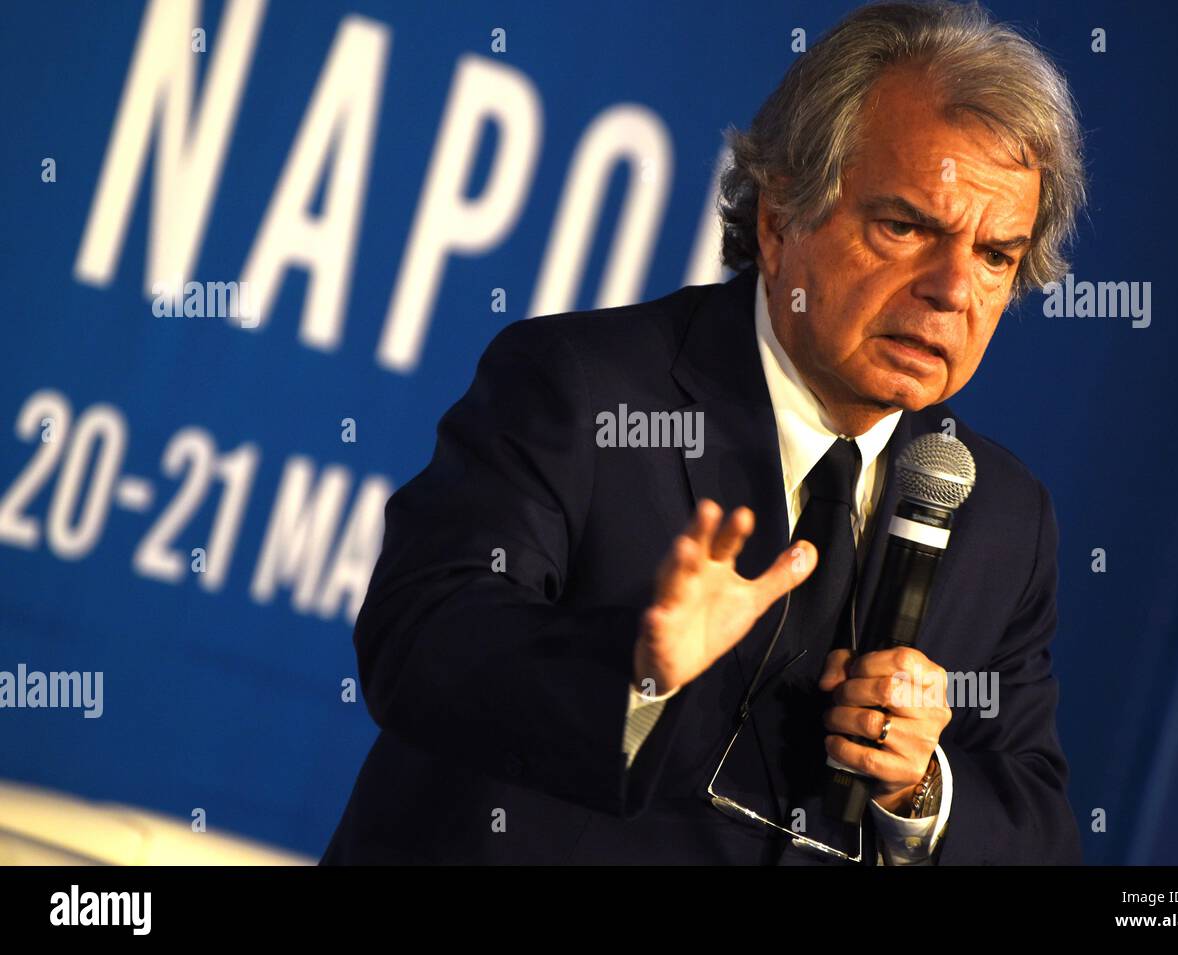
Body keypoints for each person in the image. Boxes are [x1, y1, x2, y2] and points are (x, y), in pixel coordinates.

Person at [322, 0, 1085, 865]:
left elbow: (1039, 833)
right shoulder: (585, 387)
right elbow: (419, 643)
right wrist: (641, 669)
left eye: (996, 255)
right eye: (906, 226)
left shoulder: (1003, 519)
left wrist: (922, 786)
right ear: (779, 214)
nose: (952, 288)